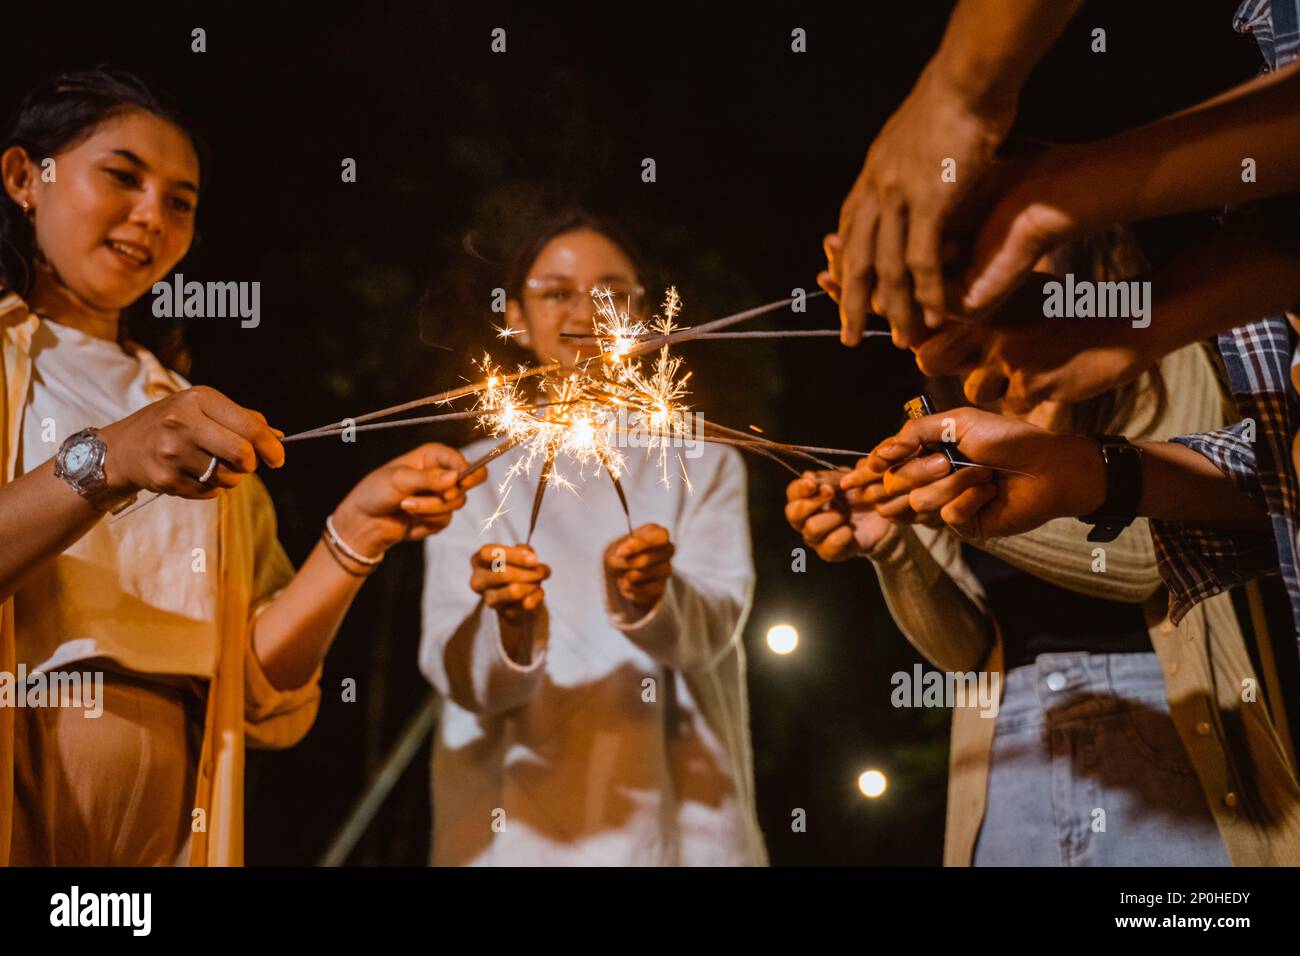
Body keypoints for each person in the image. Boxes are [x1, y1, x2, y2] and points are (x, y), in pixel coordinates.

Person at [0, 68, 483, 865]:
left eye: (181, 202)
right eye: (122, 176)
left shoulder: (188, 410)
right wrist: (109, 459)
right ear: (26, 178)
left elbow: (258, 688)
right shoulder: (121, 410)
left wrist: (353, 536)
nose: (151, 215)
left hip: (175, 814)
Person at [788, 238, 1300, 865]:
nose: (976, 276)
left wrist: (958, 503)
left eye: (1002, 241)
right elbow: (966, 654)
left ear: (1076, 247)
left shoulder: (1159, 346)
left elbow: (1145, 561)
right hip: (1007, 749)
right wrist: (895, 545)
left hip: (1167, 725)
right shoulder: (959, 402)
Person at [419, 211, 766, 865]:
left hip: (681, 824)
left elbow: (715, 626)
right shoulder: (469, 477)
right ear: (515, 318)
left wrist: (651, 596)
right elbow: (456, 669)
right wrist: (510, 628)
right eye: (556, 291)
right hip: (514, 838)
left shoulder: (704, 460)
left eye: (612, 293)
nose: (586, 310)